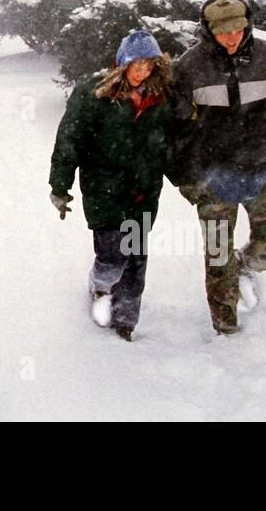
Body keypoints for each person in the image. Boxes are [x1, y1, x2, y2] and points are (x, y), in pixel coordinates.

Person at [171, 0, 266, 335]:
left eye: (237, 30)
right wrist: (186, 179)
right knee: (218, 256)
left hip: (260, 169)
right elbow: (175, 131)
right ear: (208, 31)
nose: (231, 39)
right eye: (222, 33)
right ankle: (226, 328)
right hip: (213, 179)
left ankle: (243, 266)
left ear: (247, 25)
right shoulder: (189, 68)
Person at [48, 29, 174, 342]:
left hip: (143, 193)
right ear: (121, 64)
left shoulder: (160, 99)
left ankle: (124, 323)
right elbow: (69, 140)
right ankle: (99, 284)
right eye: (136, 64)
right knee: (113, 259)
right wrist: (60, 186)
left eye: (149, 65)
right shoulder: (94, 94)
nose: (142, 71)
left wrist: (191, 181)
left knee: (135, 261)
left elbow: (172, 147)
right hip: (104, 192)